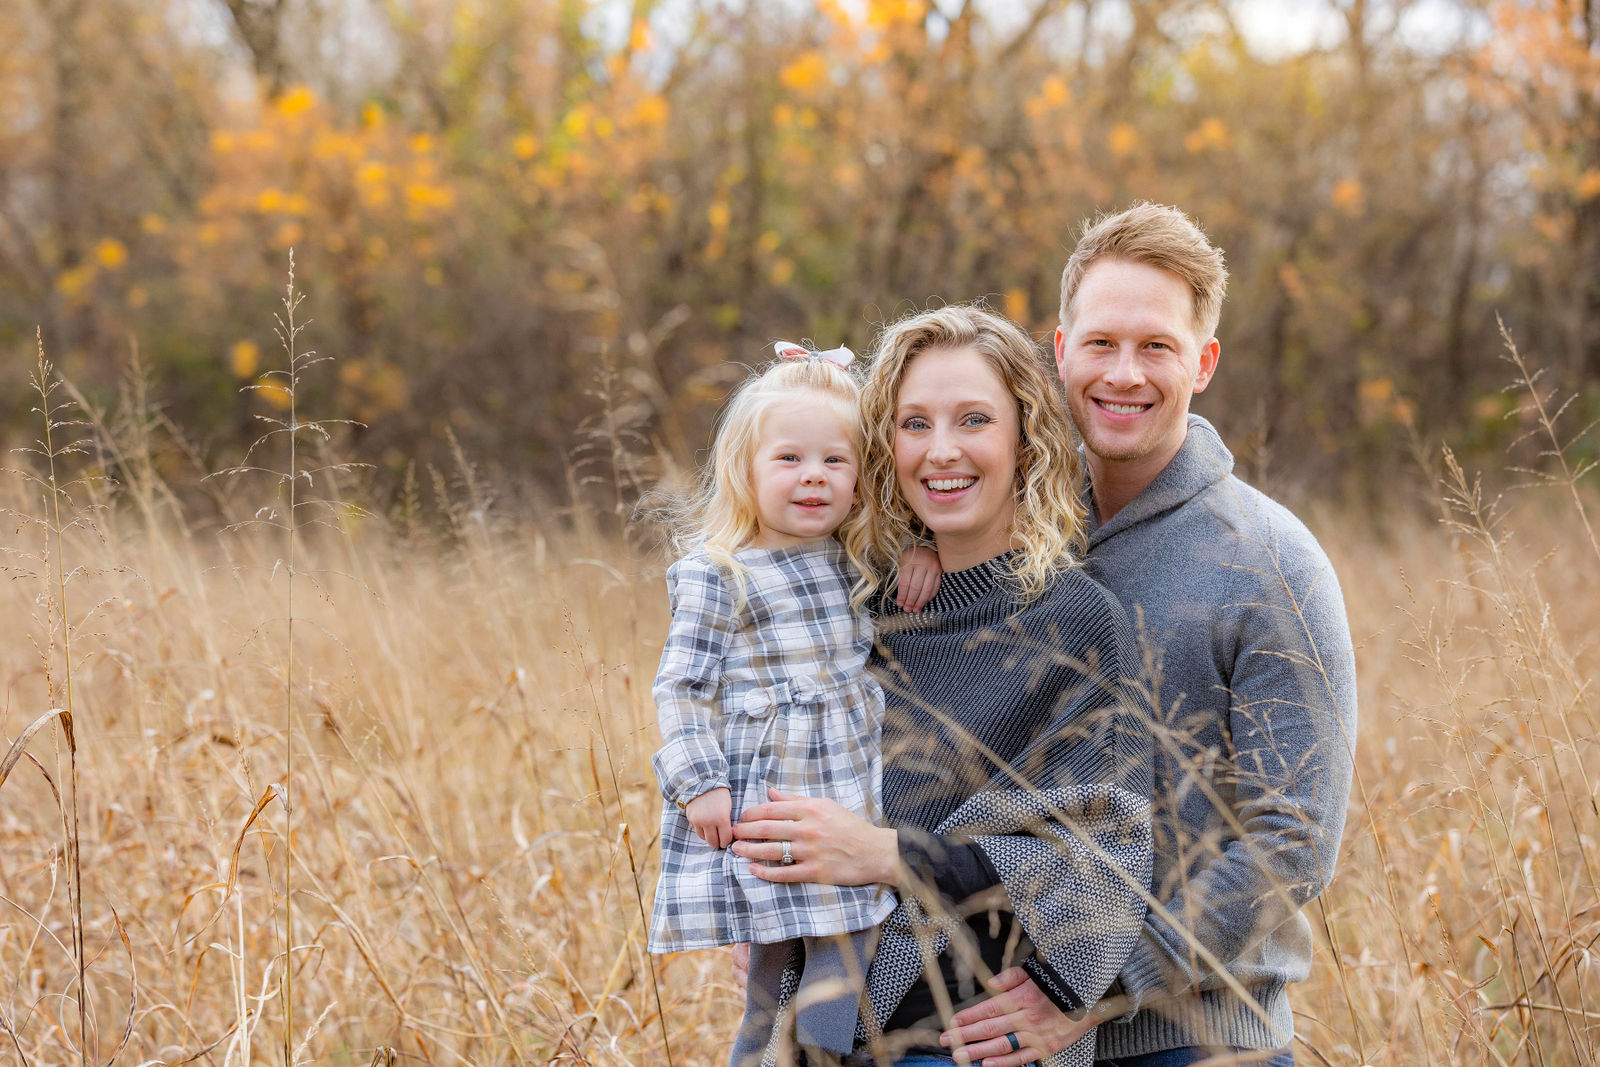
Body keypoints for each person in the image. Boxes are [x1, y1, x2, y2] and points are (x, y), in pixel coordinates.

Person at [933, 203, 1358, 1067]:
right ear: (1060, 351)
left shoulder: (1272, 564)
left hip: (1192, 1043)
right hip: (1006, 1035)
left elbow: (1295, 837)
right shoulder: (1000, 534)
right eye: (1101, 343)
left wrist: (1099, 979)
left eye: (1156, 347)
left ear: (1201, 363)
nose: (1124, 373)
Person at [729, 304, 1154, 1067]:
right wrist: (760, 906)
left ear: (1025, 438)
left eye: (973, 420)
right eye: (914, 423)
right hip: (823, 1020)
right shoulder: (857, 603)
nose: (942, 451)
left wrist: (888, 853)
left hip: (968, 1036)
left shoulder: (1075, 619)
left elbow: (1101, 855)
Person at [647, 345, 899, 1067]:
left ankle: (814, 1053)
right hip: (768, 803)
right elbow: (682, 685)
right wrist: (701, 782)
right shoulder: (718, 572)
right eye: (789, 459)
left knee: (848, 945)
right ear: (745, 471)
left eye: (835, 461)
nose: (814, 475)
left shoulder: (856, 562)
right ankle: (776, 1054)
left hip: (847, 798)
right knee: (769, 976)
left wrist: (908, 555)